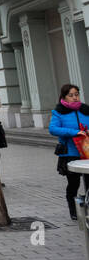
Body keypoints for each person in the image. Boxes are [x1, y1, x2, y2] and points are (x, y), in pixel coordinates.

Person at [48, 83, 89, 221]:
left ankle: (87, 207)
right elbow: (53, 129)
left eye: (76, 94)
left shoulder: (85, 109)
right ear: (64, 97)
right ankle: (73, 209)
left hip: (87, 151)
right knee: (74, 183)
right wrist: (74, 132)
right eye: (71, 95)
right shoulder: (59, 111)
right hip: (70, 152)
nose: (75, 97)